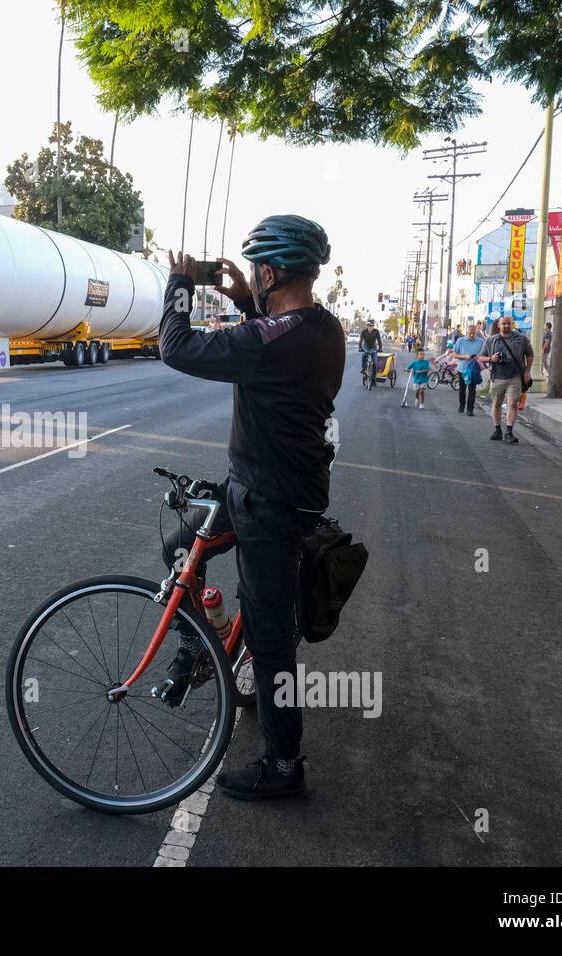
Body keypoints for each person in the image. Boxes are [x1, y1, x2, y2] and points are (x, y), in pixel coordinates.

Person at [158, 214, 343, 800]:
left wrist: (182, 283)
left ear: (269, 271)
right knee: (179, 543)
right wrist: (243, 299)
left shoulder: (275, 339)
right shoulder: (325, 328)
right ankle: (201, 641)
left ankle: (285, 768)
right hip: (267, 487)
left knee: (269, 642)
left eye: (256, 274)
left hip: (270, 500)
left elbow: (176, 347)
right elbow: (274, 336)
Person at [482, 315, 533, 444]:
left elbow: (530, 354)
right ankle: (497, 429)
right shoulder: (491, 340)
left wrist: (527, 371)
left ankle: (509, 431)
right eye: (503, 324)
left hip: (515, 377)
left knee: (512, 403)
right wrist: (491, 359)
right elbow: (481, 357)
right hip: (497, 376)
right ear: (499, 325)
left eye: (509, 323)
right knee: (497, 403)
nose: (506, 326)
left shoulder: (521, 339)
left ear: (512, 324)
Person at [454, 323, 485, 415]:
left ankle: (470, 410)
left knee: (472, 389)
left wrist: (478, 358)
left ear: (476, 333)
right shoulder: (460, 341)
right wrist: (465, 356)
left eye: (474, 333)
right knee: (462, 389)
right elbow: (455, 355)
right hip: (462, 369)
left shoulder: (481, 341)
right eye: (470, 333)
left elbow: (484, 355)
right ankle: (461, 405)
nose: (472, 335)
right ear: (467, 332)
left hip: (474, 370)